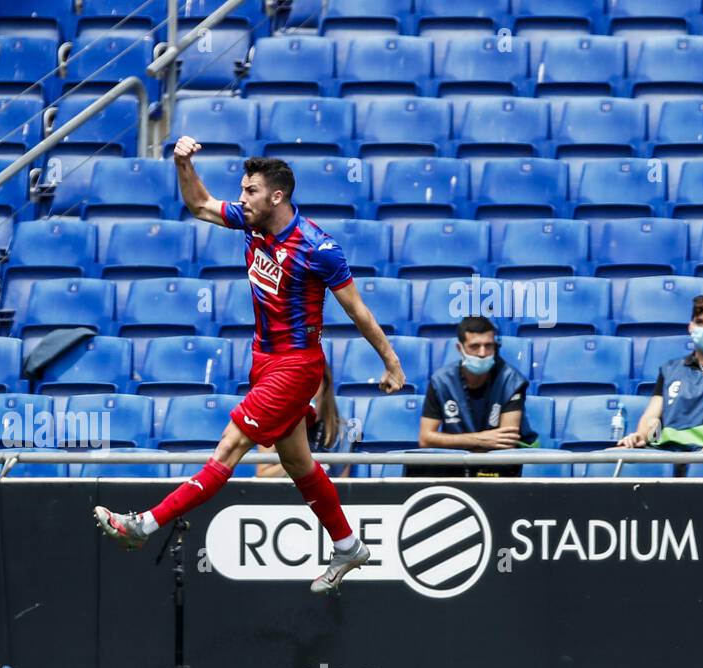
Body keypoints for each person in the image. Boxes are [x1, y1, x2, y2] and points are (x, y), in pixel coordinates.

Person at [94, 144, 406, 594]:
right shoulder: (250, 223)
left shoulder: (318, 248)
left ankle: (145, 524)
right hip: (264, 360)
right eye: (242, 189)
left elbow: (357, 310)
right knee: (298, 461)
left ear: (276, 197)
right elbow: (199, 203)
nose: (241, 197)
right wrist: (184, 164)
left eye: (251, 190)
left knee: (230, 446)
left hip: (297, 367)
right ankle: (347, 543)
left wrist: (391, 363)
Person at [419, 315, 537, 452]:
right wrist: (479, 439)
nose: (482, 353)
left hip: (499, 465)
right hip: (456, 464)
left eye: (488, 346)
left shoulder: (511, 381)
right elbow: (425, 439)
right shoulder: (441, 382)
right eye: (475, 346)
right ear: (459, 348)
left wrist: (457, 441)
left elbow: (506, 443)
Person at [617, 293, 703, 451]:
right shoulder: (670, 370)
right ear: (690, 327)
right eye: (700, 322)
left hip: (701, 455)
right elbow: (652, 417)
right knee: (611, 455)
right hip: (666, 452)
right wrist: (641, 435)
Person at [256, 363, 355, 478]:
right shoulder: (273, 423)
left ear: (324, 384)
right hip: (282, 493)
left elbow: (342, 485)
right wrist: (298, 461)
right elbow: (262, 475)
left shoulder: (342, 433)